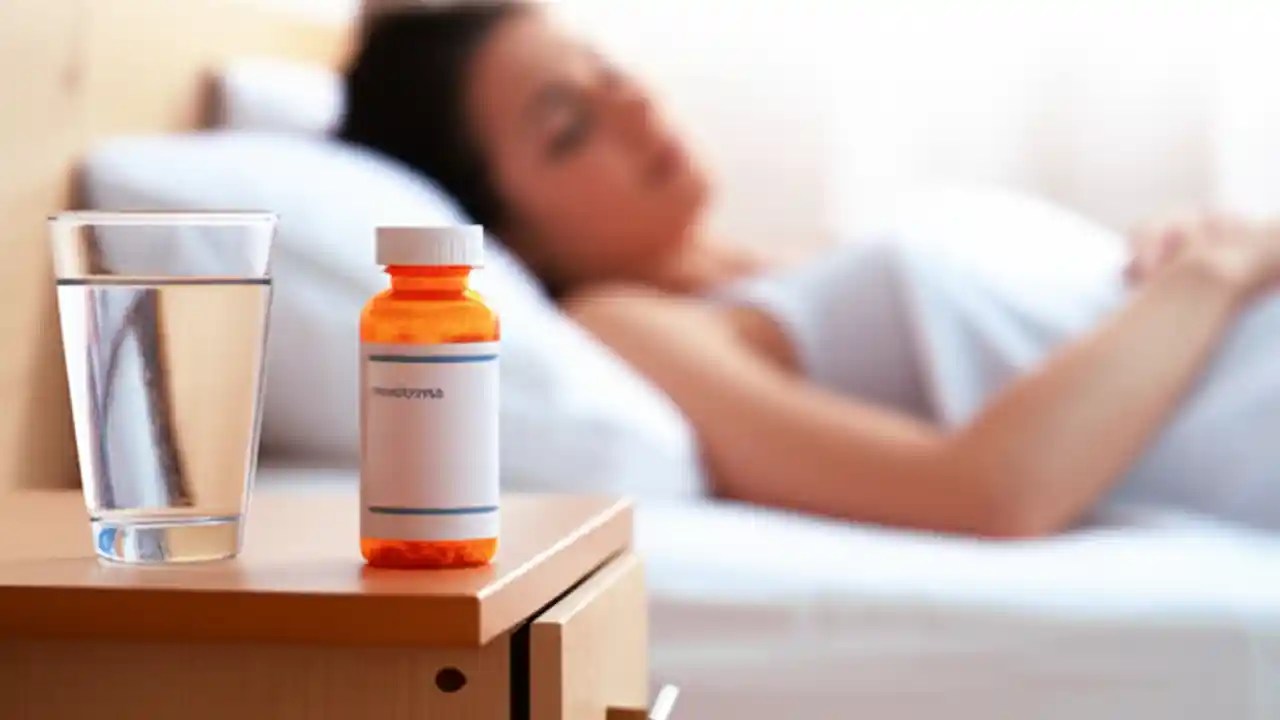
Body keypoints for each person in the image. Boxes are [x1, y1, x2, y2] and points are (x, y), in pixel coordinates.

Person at [339, 3, 1280, 537]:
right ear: (509, 239)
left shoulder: (770, 264)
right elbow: (988, 492)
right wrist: (1207, 278)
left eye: (607, 70)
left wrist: (1197, 245)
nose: (628, 108)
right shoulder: (625, 325)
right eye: (568, 126)